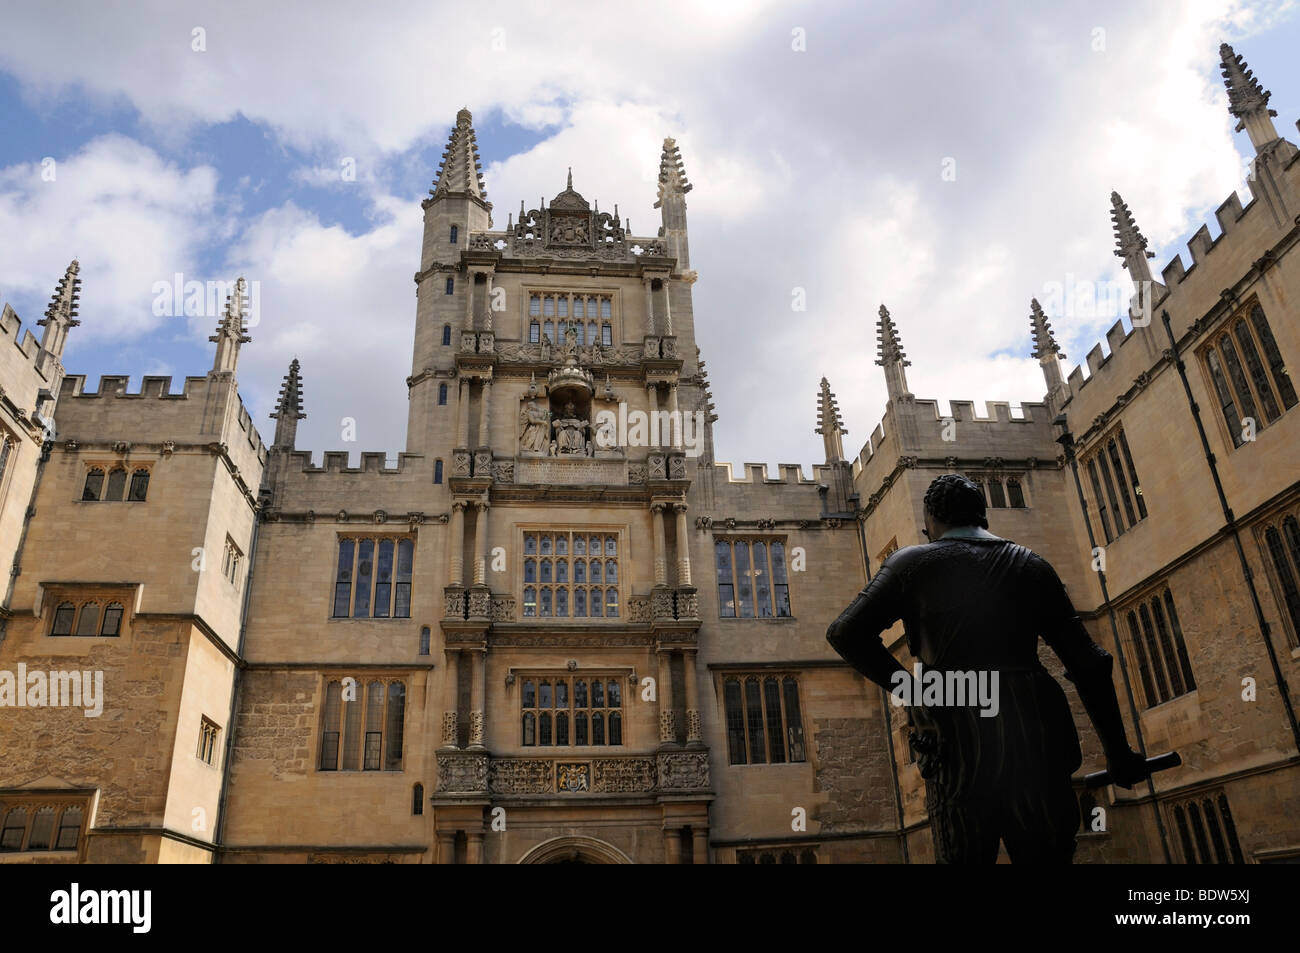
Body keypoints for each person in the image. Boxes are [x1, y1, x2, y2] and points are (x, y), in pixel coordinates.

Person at [825, 473, 1150, 863]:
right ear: (984, 516)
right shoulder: (1032, 565)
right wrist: (1118, 751)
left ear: (930, 522)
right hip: (1032, 730)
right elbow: (1089, 663)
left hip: (956, 732)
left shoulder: (911, 563)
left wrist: (914, 693)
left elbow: (846, 633)